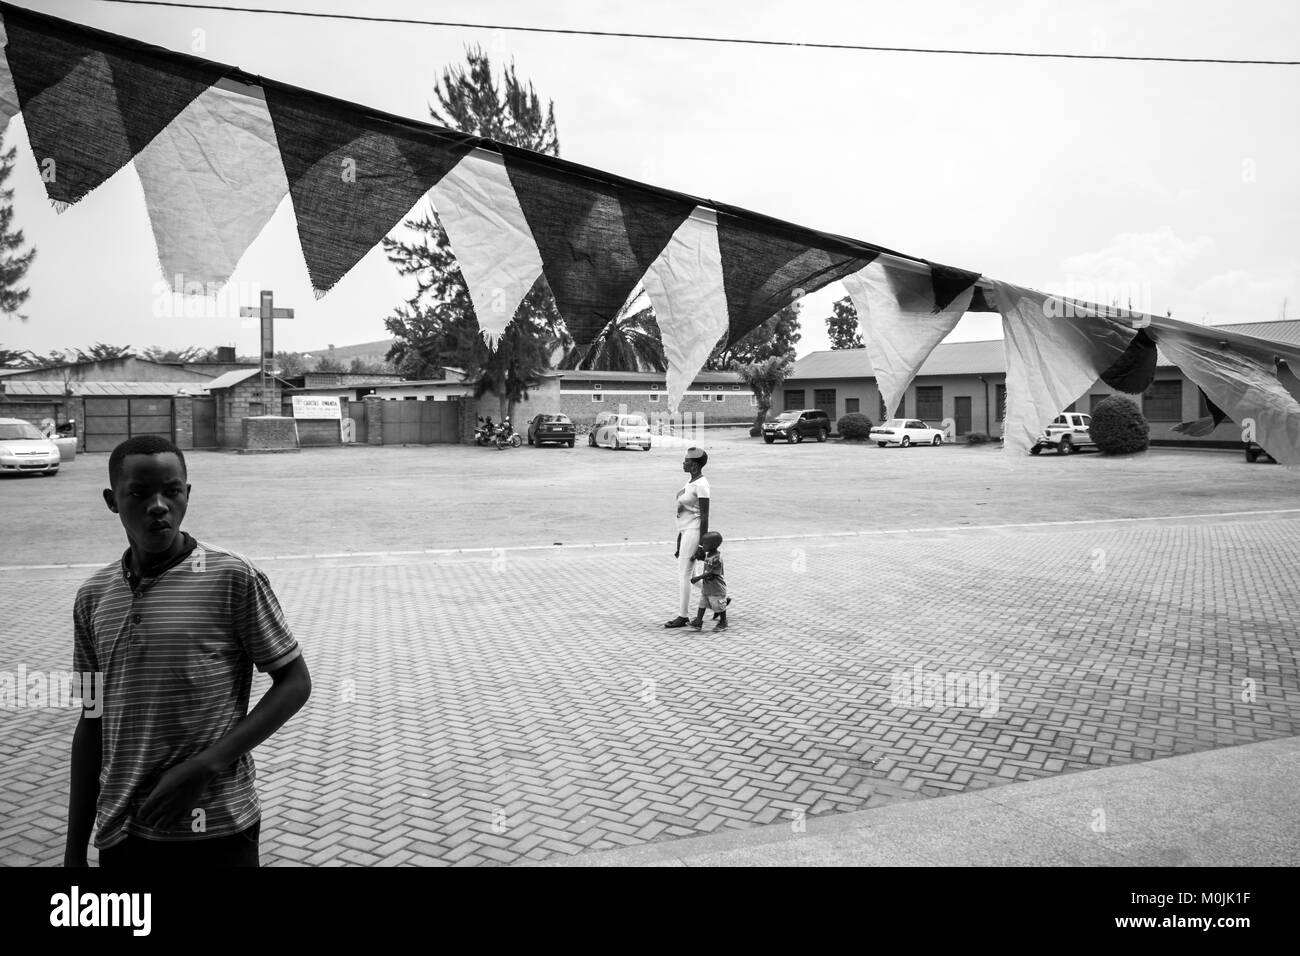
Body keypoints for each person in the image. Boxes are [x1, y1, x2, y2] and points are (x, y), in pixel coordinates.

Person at [64, 435, 311, 868]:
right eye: (138, 494)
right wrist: (73, 851)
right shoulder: (93, 597)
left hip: (218, 825)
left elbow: (294, 683)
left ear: (187, 494)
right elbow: (91, 718)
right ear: (111, 500)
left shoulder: (232, 577)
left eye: (172, 491)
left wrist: (207, 766)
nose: (158, 505)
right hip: (123, 830)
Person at [665, 447, 710, 628]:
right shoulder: (691, 481)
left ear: (695, 466)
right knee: (692, 574)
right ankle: (720, 596)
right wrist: (679, 538)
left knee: (684, 574)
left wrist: (701, 545)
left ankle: (683, 616)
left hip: (694, 531)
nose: (683, 463)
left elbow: (705, 516)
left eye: (686, 461)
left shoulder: (702, 485)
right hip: (686, 531)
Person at [689, 531, 729, 631]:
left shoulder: (717, 558)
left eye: (705, 544)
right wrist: (697, 557)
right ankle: (698, 621)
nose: (703, 545)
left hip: (716, 588)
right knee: (702, 603)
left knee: (719, 606)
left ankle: (723, 622)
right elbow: (706, 560)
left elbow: (711, 572)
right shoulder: (709, 554)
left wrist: (698, 578)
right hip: (707, 587)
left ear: (713, 545)